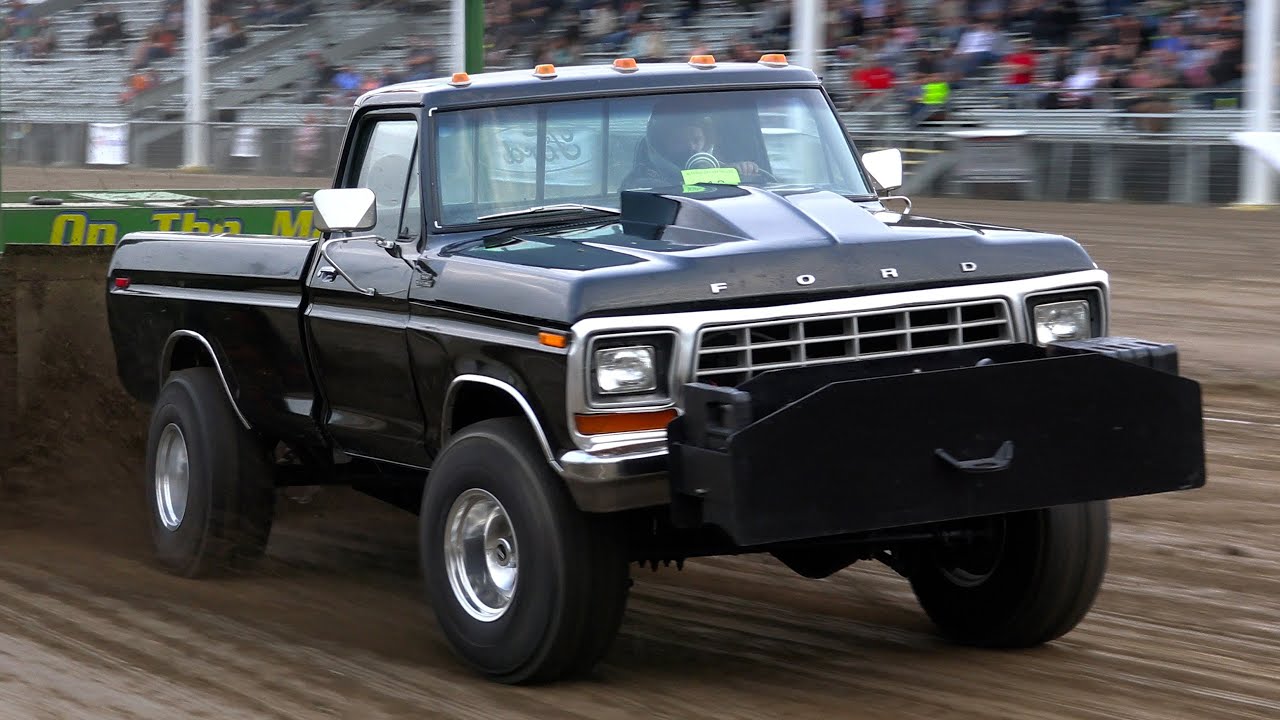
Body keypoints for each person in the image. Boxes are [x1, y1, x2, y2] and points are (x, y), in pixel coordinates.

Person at [619, 102, 764, 190]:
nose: (692, 148)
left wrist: (742, 171)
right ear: (663, 146)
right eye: (679, 142)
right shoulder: (641, 180)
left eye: (697, 139)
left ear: (706, 140)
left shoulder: (725, 169)